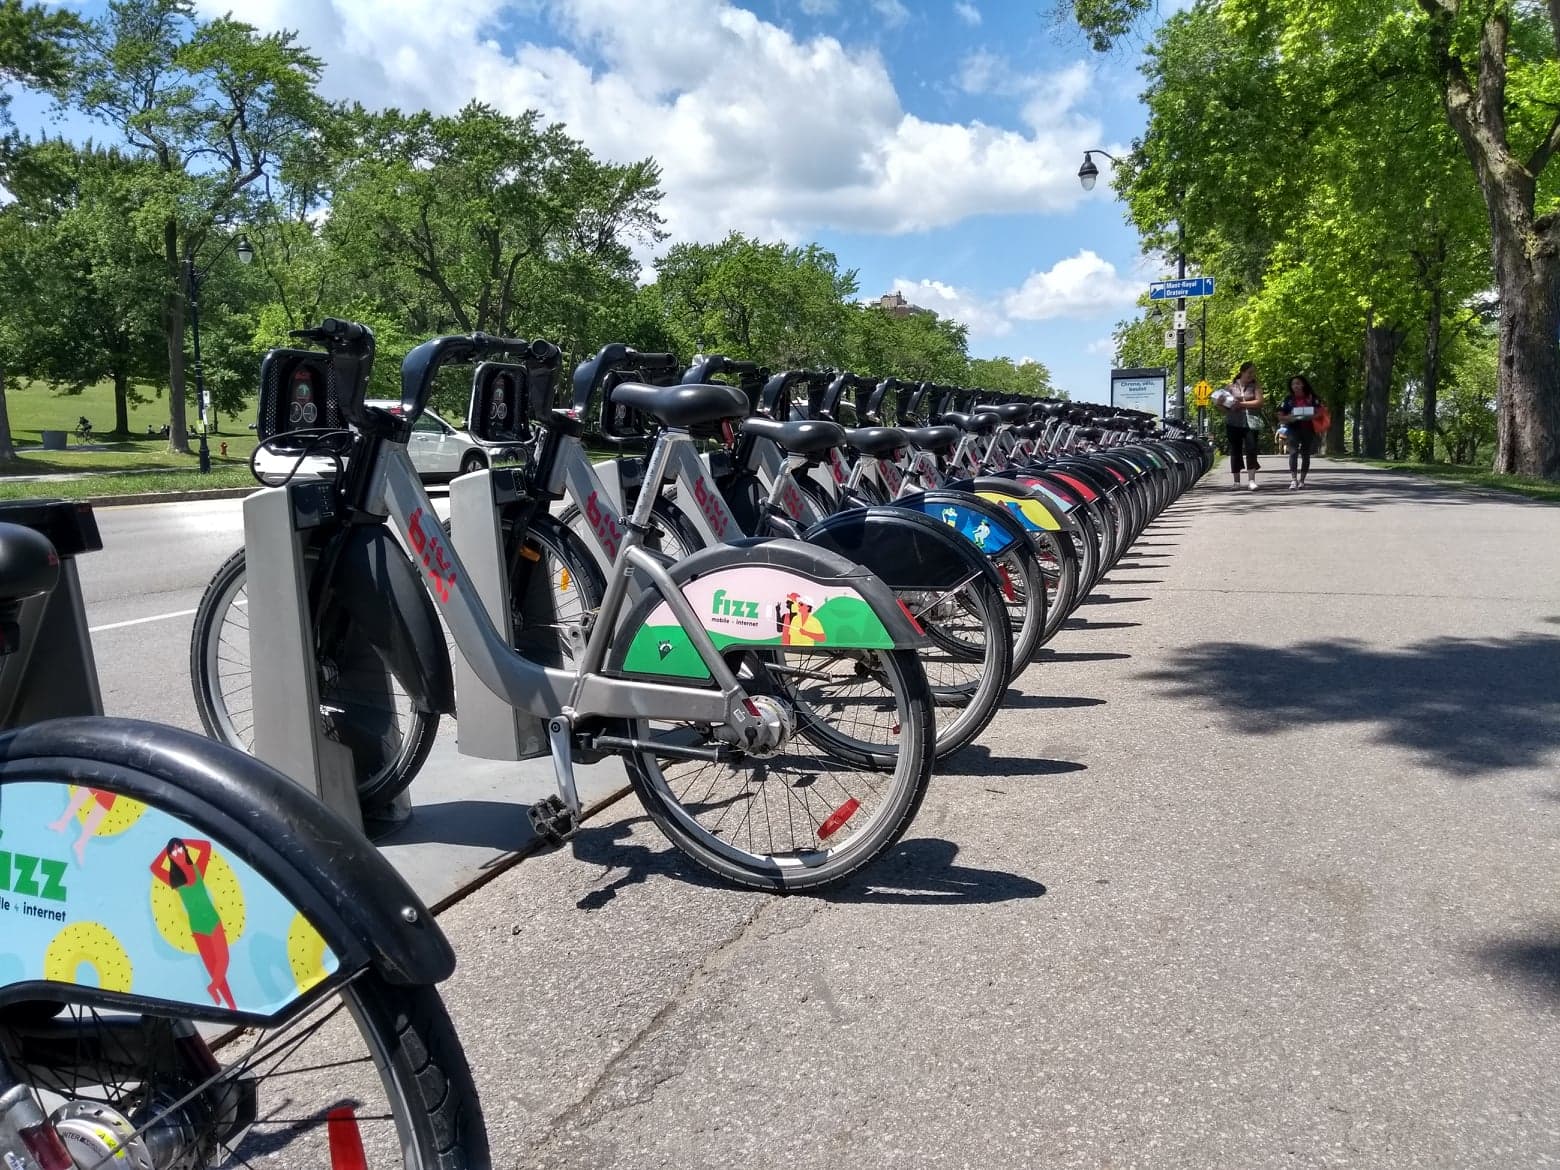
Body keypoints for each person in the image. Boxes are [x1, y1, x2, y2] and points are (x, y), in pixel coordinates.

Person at [150, 837, 236, 1010]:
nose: (178, 853)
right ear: (170, 856)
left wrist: (183, 841)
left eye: (180, 849)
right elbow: (154, 867)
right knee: (212, 966)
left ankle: (213, 987)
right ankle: (232, 1007)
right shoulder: (174, 879)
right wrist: (167, 849)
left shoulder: (197, 869)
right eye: (174, 852)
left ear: (185, 849)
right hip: (197, 926)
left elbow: (206, 846)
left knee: (223, 959)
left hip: (212, 919)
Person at [1216, 361, 1265, 490]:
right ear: (1242, 372)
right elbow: (1224, 409)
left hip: (1251, 423)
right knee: (1235, 451)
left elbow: (1260, 402)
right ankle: (1236, 482)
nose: (1252, 375)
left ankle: (1251, 480)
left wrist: (1242, 404)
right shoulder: (1230, 387)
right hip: (1233, 422)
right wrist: (1219, 403)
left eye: (1253, 373)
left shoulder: (1255, 386)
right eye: (1250, 372)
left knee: (1251, 449)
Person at [1277, 375, 1321, 489]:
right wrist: (1289, 417)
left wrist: (1311, 416)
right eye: (1293, 384)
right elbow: (1280, 415)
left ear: (1303, 384)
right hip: (1293, 429)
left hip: (1309, 428)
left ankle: (1302, 480)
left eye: (1298, 383)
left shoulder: (1312, 398)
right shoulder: (1288, 399)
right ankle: (1293, 480)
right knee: (1293, 452)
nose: (1295, 386)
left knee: (1305, 454)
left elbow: (1319, 412)